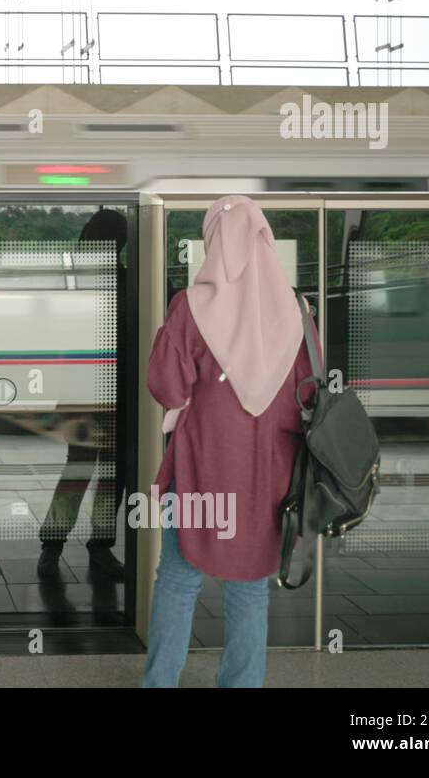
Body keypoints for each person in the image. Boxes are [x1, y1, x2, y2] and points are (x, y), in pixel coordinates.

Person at [141, 195, 315, 688]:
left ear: (212, 242)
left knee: (177, 582)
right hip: (270, 476)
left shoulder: (191, 307)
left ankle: (160, 683)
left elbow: (167, 387)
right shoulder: (298, 311)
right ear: (264, 241)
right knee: (250, 590)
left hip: (202, 470)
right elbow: (309, 396)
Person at [38, 208, 128, 582]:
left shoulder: (74, 278)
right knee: (111, 474)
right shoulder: (129, 280)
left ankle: (53, 546)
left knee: (79, 469)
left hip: (83, 392)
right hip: (118, 392)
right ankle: (98, 546)